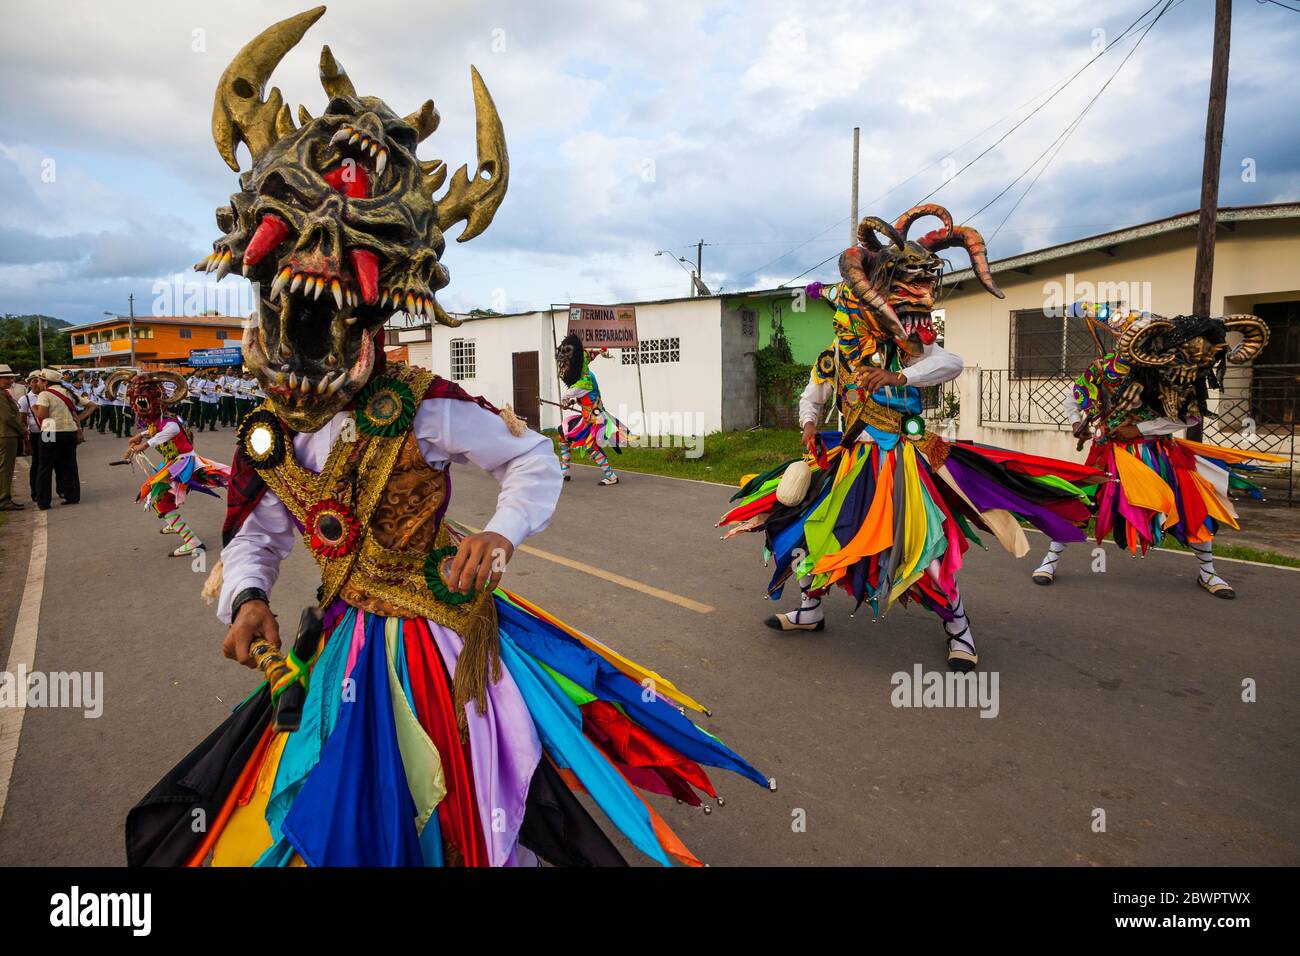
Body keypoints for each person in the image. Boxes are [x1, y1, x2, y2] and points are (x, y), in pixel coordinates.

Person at [127, 9, 768, 869]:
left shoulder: (426, 405)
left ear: (380, 303)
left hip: (446, 642)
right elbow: (261, 536)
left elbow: (533, 459)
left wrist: (501, 535)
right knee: (345, 808)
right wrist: (245, 599)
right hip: (347, 640)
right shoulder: (273, 435)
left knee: (480, 802)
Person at [718, 205, 1107, 671]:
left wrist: (898, 376)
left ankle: (959, 629)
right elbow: (813, 396)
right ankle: (809, 610)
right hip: (848, 460)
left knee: (924, 544)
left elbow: (952, 364)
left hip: (905, 459)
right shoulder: (835, 354)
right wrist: (807, 422)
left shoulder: (911, 348)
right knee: (812, 533)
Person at [1031, 304, 1286, 598]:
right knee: (1079, 503)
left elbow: (1189, 416)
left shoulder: (1171, 370)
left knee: (1193, 507)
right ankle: (1048, 562)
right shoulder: (1101, 368)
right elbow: (1072, 399)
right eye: (1126, 332)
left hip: (1158, 455)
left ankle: (1209, 573)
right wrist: (1077, 423)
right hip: (1108, 453)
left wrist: (1141, 430)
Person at [111, 370, 231, 557]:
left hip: (182, 464)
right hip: (175, 463)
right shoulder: (160, 419)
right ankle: (173, 523)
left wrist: (143, 444)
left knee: (157, 499)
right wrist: (140, 435)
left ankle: (192, 541)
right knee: (161, 497)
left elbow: (167, 431)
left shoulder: (170, 423)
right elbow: (155, 429)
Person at [554, 335, 625, 485]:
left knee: (591, 446)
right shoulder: (582, 371)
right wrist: (571, 402)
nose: (563, 366)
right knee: (562, 434)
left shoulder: (585, 380)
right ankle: (564, 472)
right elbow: (579, 396)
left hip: (595, 418)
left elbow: (571, 393)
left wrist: (566, 400)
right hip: (588, 417)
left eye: (566, 363)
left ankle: (611, 476)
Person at [31, 368, 94, 508]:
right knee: (69, 464)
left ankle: (43, 501)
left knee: (45, 467)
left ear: (45, 382)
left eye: (40, 381)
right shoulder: (69, 392)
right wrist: (78, 419)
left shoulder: (45, 394)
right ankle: (72, 496)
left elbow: (43, 416)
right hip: (69, 431)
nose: (39, 383)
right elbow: (92, 405)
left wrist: (34, 409)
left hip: (49, 430)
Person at [17, 372, 44, 502]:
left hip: (48, 433)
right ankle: (35, 492)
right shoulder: (25, 399)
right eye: (34, 381)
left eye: (39, 381)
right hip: (34, 434)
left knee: (52, 460)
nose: (37, 384)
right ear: (29, 383)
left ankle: (58, 489)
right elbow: (22, 422)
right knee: (37, 463)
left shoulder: (48, 395)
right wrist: (25, 442)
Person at [0, 364, 23, 512]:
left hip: (6, 433)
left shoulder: (4, 393)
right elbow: (8, 417)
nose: (10, 381)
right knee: (6, 469)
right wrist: (22, 429)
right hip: (6, 434)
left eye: (11, 378)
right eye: (7, 378)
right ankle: (4, 499)